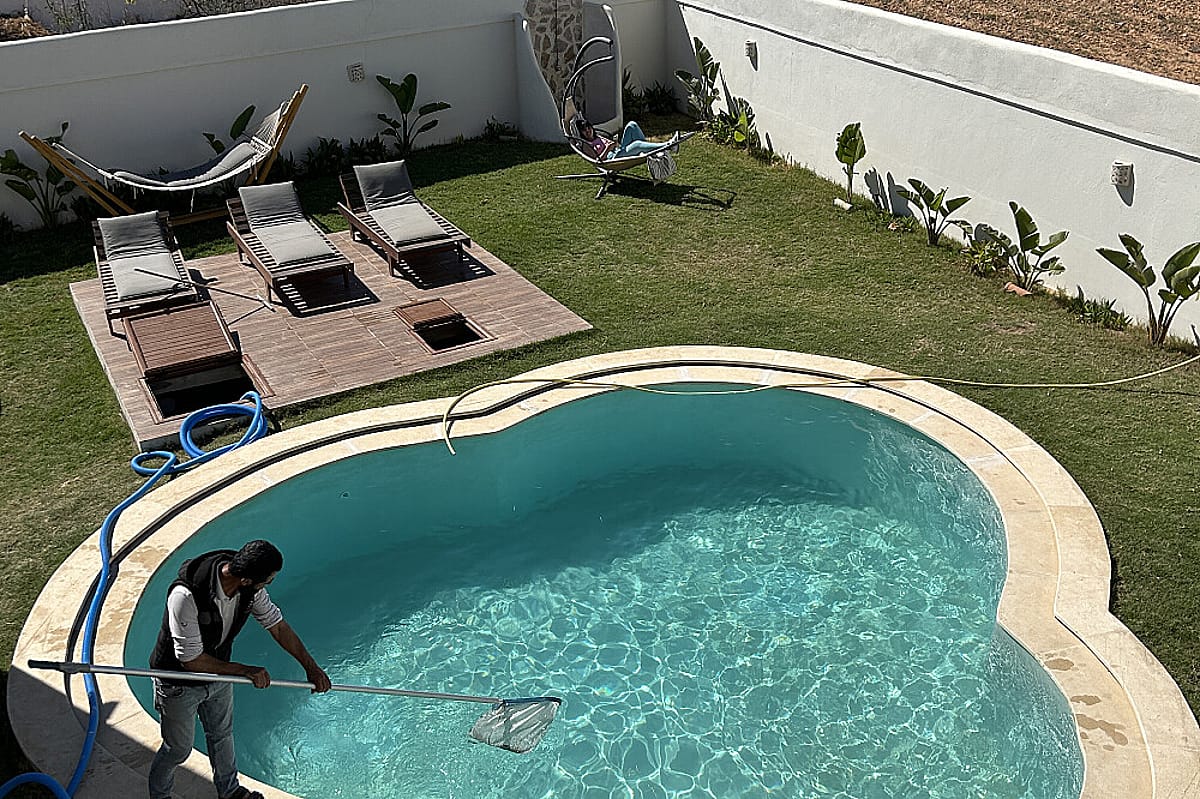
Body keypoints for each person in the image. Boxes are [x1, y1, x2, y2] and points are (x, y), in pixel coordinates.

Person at [148, 540, 331, 799]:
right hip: (178, 681)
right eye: (267, 581)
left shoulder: (248, 586)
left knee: (221, 735)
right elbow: (191, 660)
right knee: (178, 749)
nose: (267, 586)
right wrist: (243, 670)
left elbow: (276, 625)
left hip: (220, 674)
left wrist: (311, 667)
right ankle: (160, 796)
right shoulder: (185, 595)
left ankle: (231, 792)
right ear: (246, 580)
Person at [577, 117, 680, 160]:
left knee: (632, 125)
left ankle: (651, 151)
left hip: (617, 151)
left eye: (588, 127)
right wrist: (609, 148)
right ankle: (669, 145)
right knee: (637, 145)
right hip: (612, 159)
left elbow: (613, 145)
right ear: (581, 133)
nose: (588, 131)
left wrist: (614, 143)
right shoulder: (586, 145)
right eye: (584, 130)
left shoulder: (597, 137)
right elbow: (597, 160)